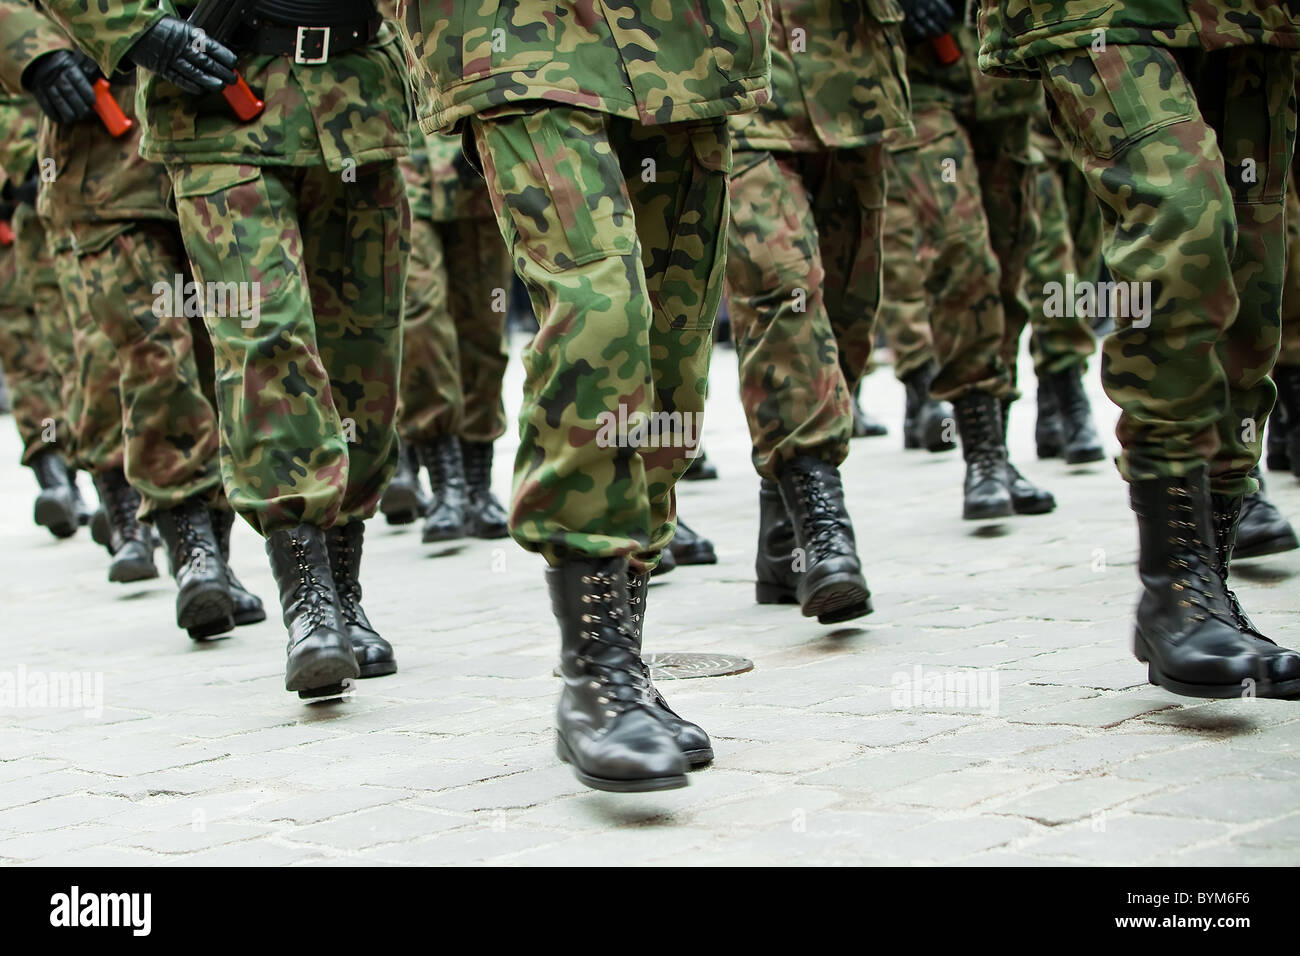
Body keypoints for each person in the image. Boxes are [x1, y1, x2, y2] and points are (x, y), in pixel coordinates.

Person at [401, 0, 770, 792]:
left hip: (686, 42)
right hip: (515, 34)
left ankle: (627, 665)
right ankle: (594, 676)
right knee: (602, 307)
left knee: (671, 348)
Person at [45, 0, 411, 696]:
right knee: (264, 335)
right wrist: (137, 30)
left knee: (363, 352)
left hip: (355, 98)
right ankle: (309, 602)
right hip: (215, 96)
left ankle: (344, 586)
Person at [980, 0, 1300, 698]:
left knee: (1256, 253)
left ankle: (1206, 586)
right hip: (1098, 10)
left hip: (1252, 15)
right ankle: (1176, 584)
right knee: (1183, 210)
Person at [726, 0, 909, 624]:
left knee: (847, 313)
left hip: (851, 72)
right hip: (736, 76)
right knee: (784, 285)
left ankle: (781, 543)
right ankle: (821, 527)